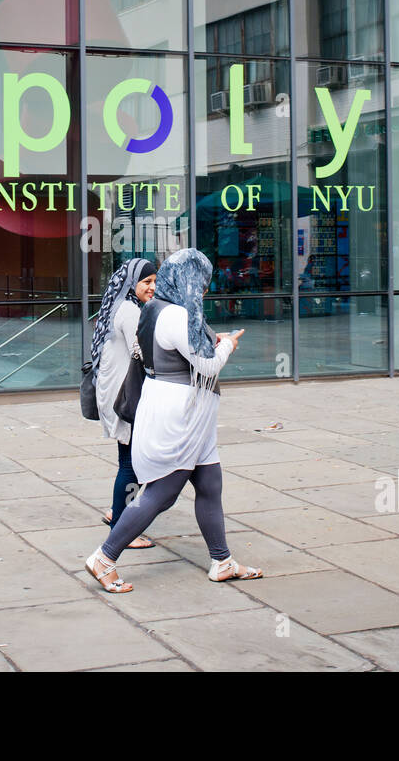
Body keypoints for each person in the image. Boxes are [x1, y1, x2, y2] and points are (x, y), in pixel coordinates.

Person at [85, 248, 261, 593]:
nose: (205, 290)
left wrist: (216, 342)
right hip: (179, 415)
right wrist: (226, 346)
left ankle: (222, 561)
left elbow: (188, 350)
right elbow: (207, 364)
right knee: (161, 493)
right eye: (202, 283)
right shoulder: (176, 316)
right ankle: (103, 558)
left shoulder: (155, 309)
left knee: (210, 484)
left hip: (186, 413)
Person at [91, 258, 158, 550]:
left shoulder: (119, 305)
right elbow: (142, 351)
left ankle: (117, 512)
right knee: (132, 465)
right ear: (132, 283)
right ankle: (121, 526)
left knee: (128, 460)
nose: (152, 287)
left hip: (114, 394)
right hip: (126, 397)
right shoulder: (130, 311)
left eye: (155, 281)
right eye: (146, 282)